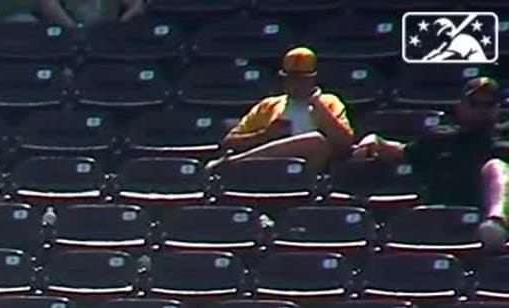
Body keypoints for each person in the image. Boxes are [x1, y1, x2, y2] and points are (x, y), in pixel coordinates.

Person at [353, 77, 508, 252]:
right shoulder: (440, 139)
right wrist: (375, 141)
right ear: (460, 107)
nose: (481, 109)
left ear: (497, 108)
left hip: (490, 221)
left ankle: (497, 222)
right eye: (474, 103)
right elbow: (400, 153)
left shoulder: (505, 139)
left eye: (488, 104)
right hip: (442, 219)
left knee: (496, 167)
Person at [211, 47, 354, 173]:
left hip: (309, 171)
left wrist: (317, 104)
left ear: (313, 79)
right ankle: (234, 165)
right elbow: (229, 142)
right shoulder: (268, 106)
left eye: (302, 79)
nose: (296, 84)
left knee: (316, 141)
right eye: (290, 78)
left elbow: (345, 144)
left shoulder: (329, 102)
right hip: (267, 168)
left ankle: (231, 164)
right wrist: (265, 135)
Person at [36, 0, 145, 29]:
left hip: (110, 32)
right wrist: (76, 31)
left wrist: (118, 27)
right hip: (68, 30)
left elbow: (137, 6)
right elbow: (47, 4)